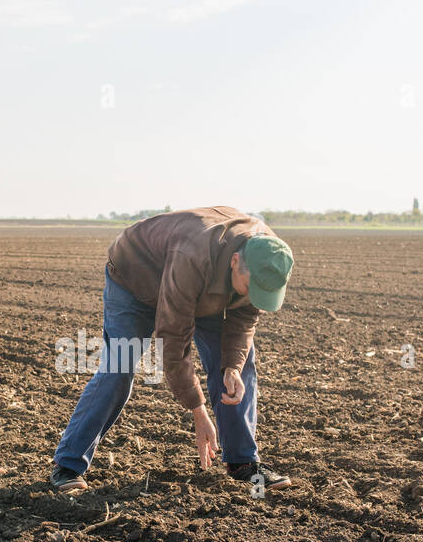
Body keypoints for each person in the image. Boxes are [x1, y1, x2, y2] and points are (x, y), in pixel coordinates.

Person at [51, 206, 295, 493]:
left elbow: (244, 319)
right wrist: (198, 410)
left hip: (207, 290)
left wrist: (232, 367)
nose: (252, 296)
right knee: (119, 369)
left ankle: (244, 462)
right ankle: (68, 464)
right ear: (235, 260)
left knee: (241, 368)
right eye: (249, 287)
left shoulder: (269, 258)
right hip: (136, 280)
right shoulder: (193, 255)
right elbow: (173, 337)